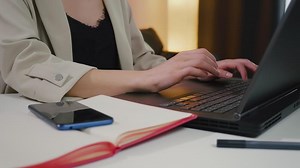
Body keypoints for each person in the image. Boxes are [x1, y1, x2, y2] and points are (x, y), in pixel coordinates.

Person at [0, 0, 257, 102]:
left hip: (123, 120)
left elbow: (140, 58)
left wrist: (190, 70)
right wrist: (147, 79)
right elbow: (25, 64)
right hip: (43, 128)